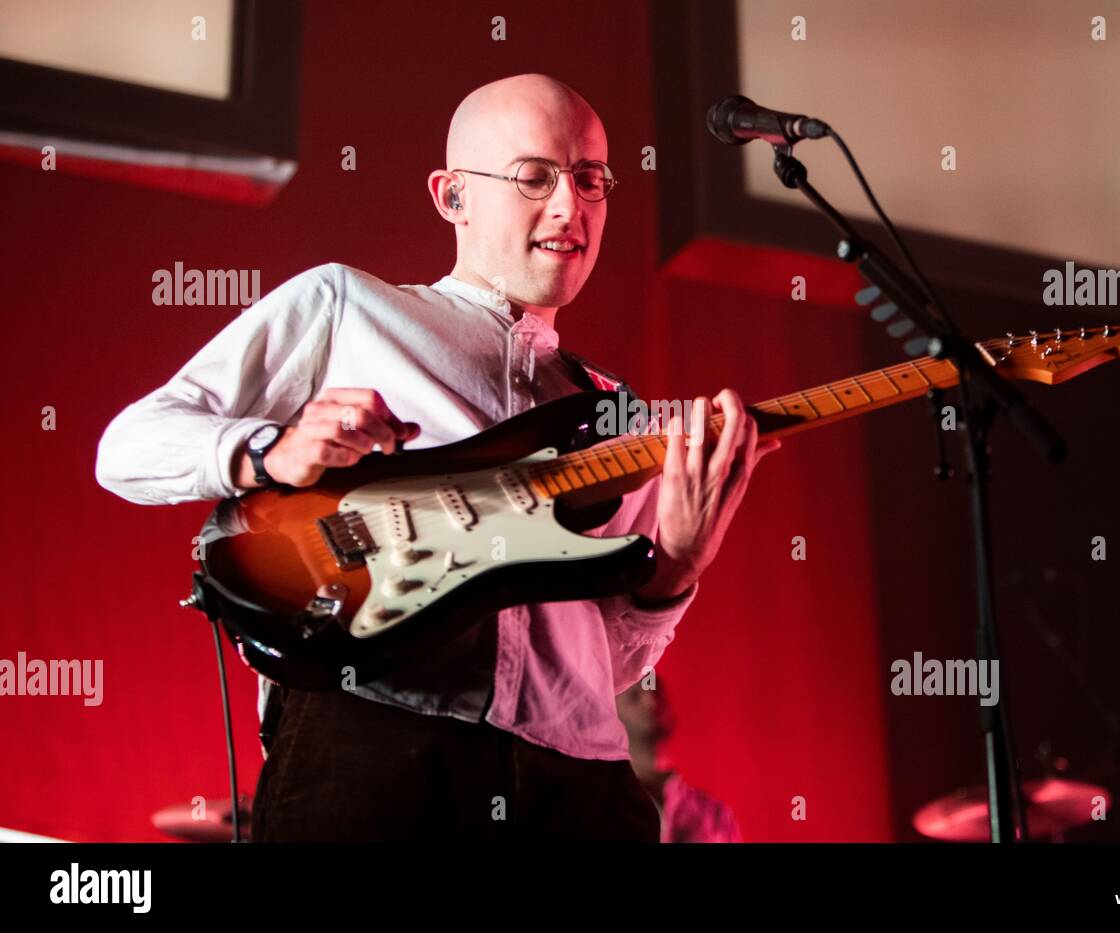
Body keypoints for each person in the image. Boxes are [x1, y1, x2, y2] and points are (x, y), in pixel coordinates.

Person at [95, 73, 778, 841]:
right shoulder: (347, 307)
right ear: (453, 195)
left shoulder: (616, 411)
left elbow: (600, 669)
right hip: (376, 743)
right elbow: (128, 447)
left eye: (591, 180)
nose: (569, 207)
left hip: (581, 783)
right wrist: (270, 452)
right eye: (534, 176)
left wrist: (676, 570)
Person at [616, 677, 742, 842]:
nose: (649, 699)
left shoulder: (713, 814)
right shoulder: (599, 804)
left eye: (655, 689)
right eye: (635, 695)